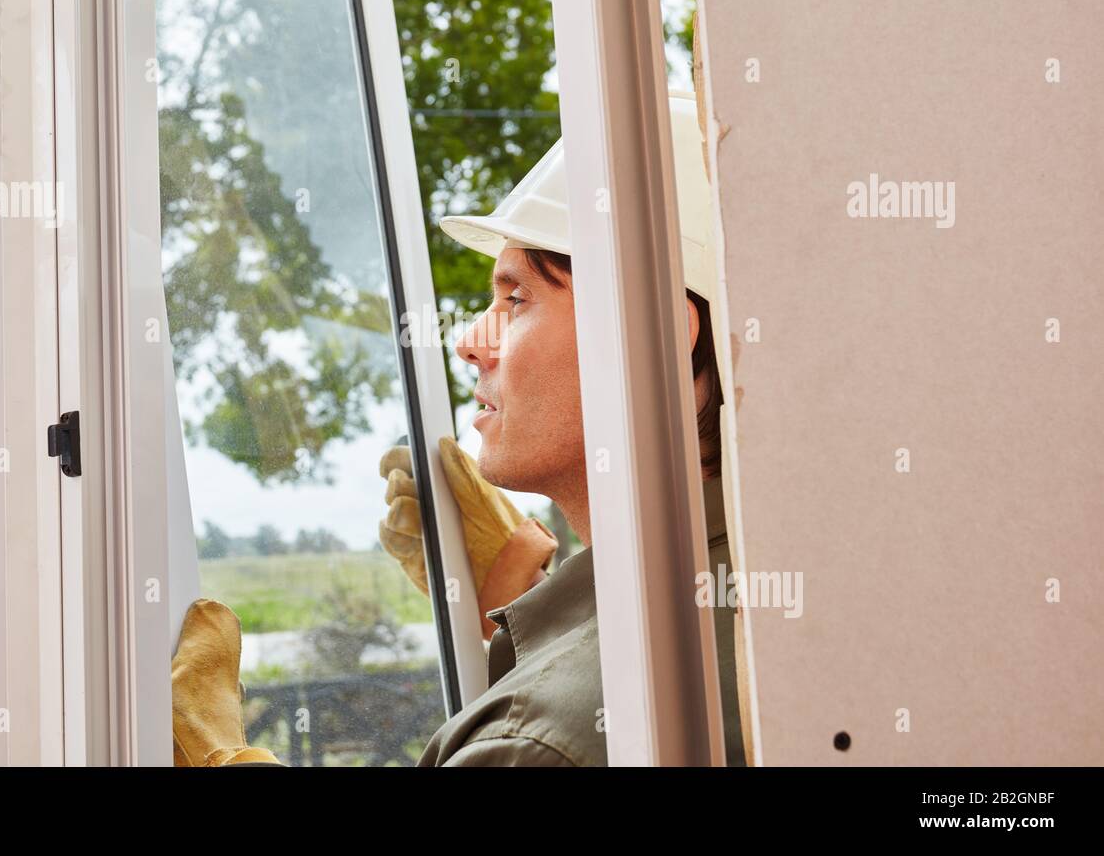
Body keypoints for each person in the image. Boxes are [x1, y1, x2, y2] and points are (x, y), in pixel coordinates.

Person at [170, 92, 749, 767]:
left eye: (516, 298)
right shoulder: (757, 583)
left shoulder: (539, 745)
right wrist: (528, 593)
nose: (472, 341)